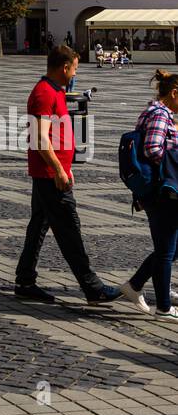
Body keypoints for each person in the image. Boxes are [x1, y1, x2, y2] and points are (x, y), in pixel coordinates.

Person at [15, 44, 120, 307]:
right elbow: (40, 138)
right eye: (74, 68)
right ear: (64, 67)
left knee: (39, 225)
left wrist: (66, 164)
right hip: (50, 174)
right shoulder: (43, 93)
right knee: (69, 228)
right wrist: (59, 169)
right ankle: (92, 287)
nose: (75, 73)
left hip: (52, 171)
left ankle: (25, 280)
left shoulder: (55, 91)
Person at [121, 70, 178, 318]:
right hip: (161, 190)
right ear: (174, 93)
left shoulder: (155, 111)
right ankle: (163, 307)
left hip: (159, 189)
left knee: (171, 248)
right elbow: (154, 149)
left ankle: (134, 285)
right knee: (166, 251)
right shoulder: (160, 114)